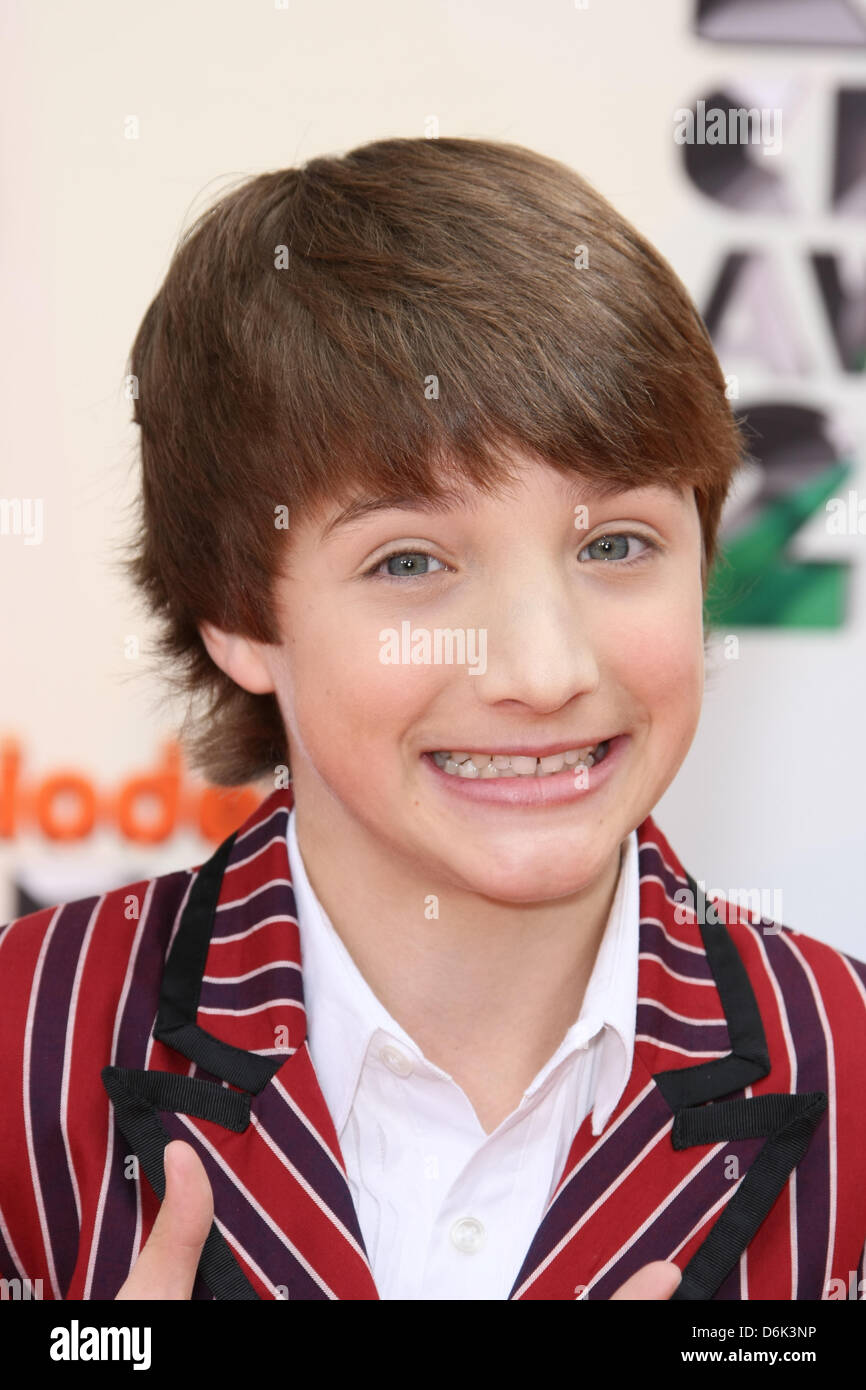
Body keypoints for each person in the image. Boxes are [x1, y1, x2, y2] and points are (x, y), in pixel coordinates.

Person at [1, 137, 863, 1303]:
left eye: (615, 545)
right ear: (238, 616)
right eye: (410, 560)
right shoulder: (28, 1038)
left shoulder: (846, 1056)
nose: (542, 668)